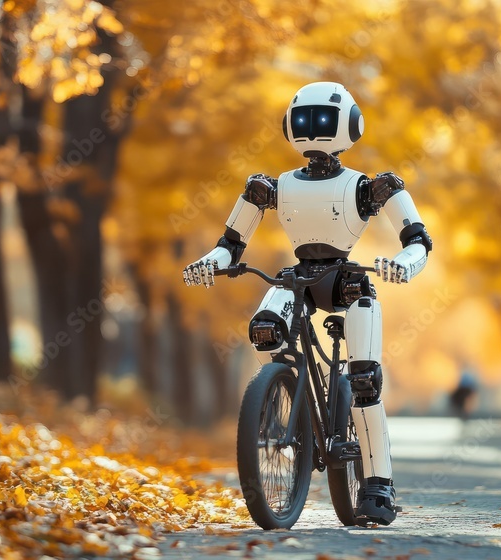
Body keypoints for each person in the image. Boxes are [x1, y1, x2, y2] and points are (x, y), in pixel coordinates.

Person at [182, 82, 433, 526]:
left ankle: (379, 484)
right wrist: (209, 263)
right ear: (290, 127)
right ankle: (283, 387)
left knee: (364, 382)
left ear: (347, 126)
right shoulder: (270, 187)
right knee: (265, 330)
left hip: (348, 283)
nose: (312, 129)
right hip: (296, 278)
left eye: (322, 120)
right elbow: (231, 242)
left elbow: (416, 239)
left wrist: (403, 264)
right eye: (304, 120)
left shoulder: (370, 186)